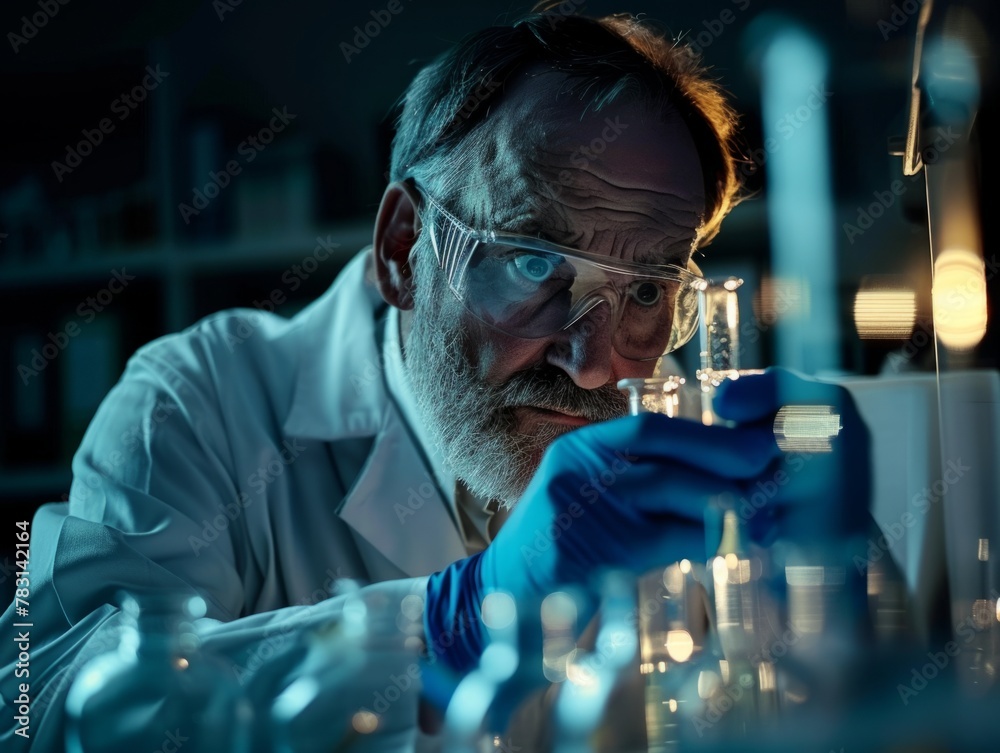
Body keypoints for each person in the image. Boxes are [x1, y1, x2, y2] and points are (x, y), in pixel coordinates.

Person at [0, 6, 872, 751]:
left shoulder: (685, 433)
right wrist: (462, 616)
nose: (595, 359)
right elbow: (37, 703)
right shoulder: (200, 401)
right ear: (403, 249)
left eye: (646, 290)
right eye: (534, 260)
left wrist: (847, 594)